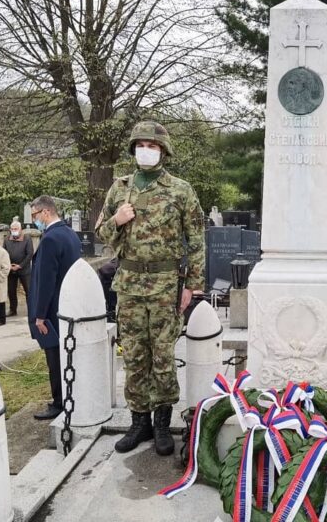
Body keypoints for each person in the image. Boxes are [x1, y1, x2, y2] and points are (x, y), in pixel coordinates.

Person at [96, 120, 205, 456]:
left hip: (165, 285)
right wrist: (118, 220)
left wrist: (194, 286)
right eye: (141, 145)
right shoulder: (120, 188)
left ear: (163, 151)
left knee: (162, 356)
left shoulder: (180, 189)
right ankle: (138, 421)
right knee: (134, 354)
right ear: (134, 150)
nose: (146, 150)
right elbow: (101, 232)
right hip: (129, 284)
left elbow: (197, 239)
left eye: (153, 145)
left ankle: (161, 424)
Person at [27, 195, 82, 421]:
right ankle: (71, 394)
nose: (34, 220)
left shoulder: (50, 239)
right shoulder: (69, 234)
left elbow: (46, 281)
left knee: (55, 358)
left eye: (35, 215)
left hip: (52, 310)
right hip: (70, 304)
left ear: (46, 212)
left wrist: (39, 315)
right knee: (68, 355)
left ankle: (59, 401)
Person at [4, 219, 33, 316]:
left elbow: (29, 254)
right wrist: (9, 265)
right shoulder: (7, 239)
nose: (14, 230)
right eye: (12, 229)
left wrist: (20, 266)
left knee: (28, 291)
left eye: (16, 228)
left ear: (20, 229)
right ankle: (12, 309)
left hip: (24, 269)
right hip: (11, 269)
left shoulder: (27, 238)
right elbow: (4, 254)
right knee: (11, 291)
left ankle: (31, 310)